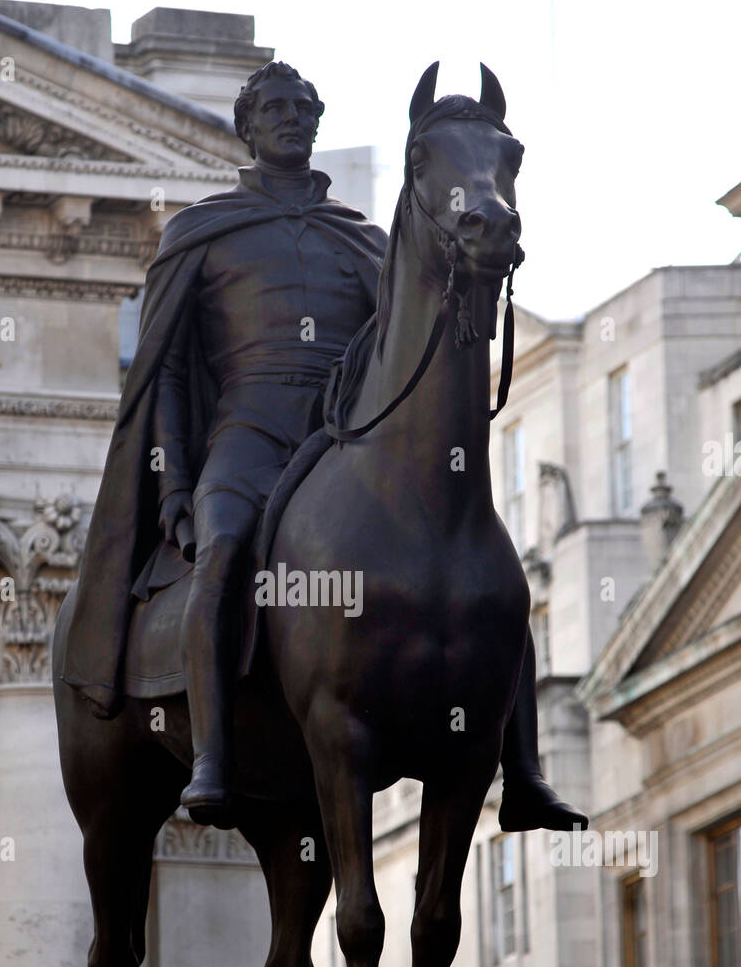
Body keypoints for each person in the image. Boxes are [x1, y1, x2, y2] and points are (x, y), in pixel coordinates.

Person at [63, 60, 585, 833]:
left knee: (488, 574)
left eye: (303, 109)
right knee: (225, 548)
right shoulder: (200, 231)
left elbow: (417, 332)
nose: (290, 120)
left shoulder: (365, 238)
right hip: (245, 437)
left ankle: (524, 771)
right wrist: (174, 484)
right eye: (273, 108)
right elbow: (165, 372)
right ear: (246, 126)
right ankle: (211, 757)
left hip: (341, 437)